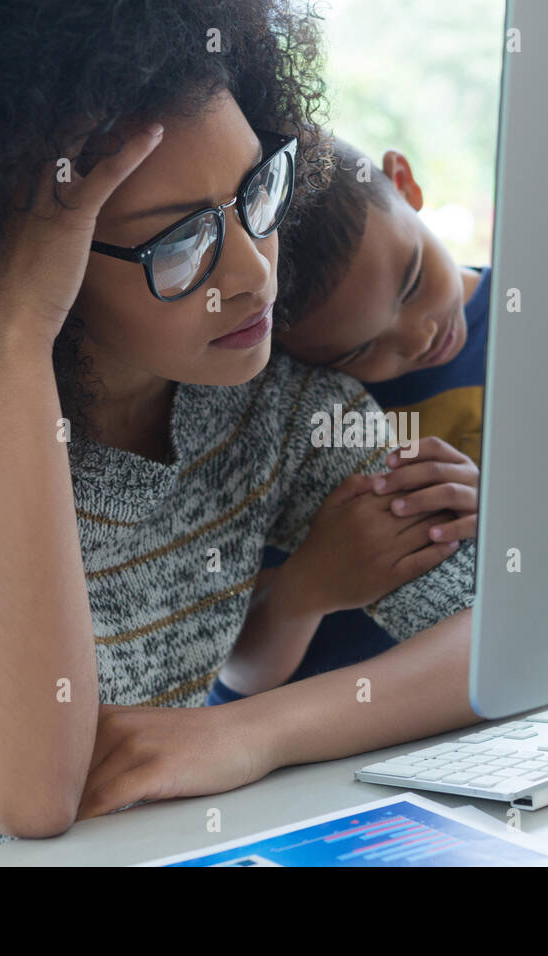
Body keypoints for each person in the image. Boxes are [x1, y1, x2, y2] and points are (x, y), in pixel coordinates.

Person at [0, 0, 479, 866]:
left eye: (254, 193)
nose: (253, 268)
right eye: (179, 242)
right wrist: (10, 341)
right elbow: (27, 792)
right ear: (18, 267)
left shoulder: (276, 407)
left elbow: (498, 643)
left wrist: (252, 734)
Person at [209, 136, 492, 704]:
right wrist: (309, 587)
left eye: (413, 281)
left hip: (478, 708)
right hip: (311, 742)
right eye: (360, 352)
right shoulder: (289, 417)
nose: (420, 337)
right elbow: (235, 677)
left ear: (406, 184)